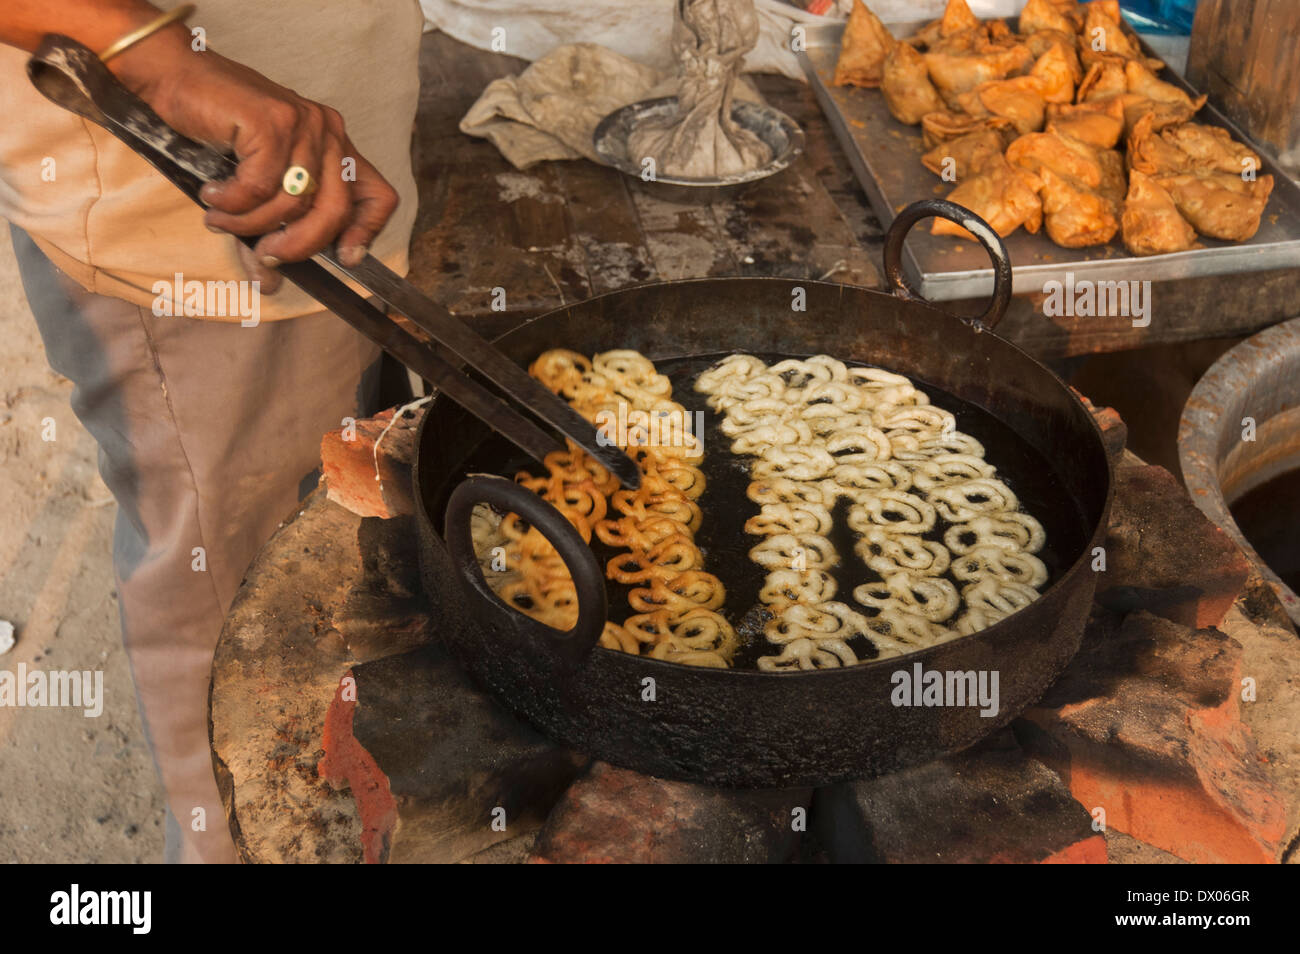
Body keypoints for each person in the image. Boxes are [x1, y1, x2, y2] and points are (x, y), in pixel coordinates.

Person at [0, 0, 424, 862]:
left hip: (323, 176)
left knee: (340, 566)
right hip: (186, 226)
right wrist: (150, 54)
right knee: (235, 612)